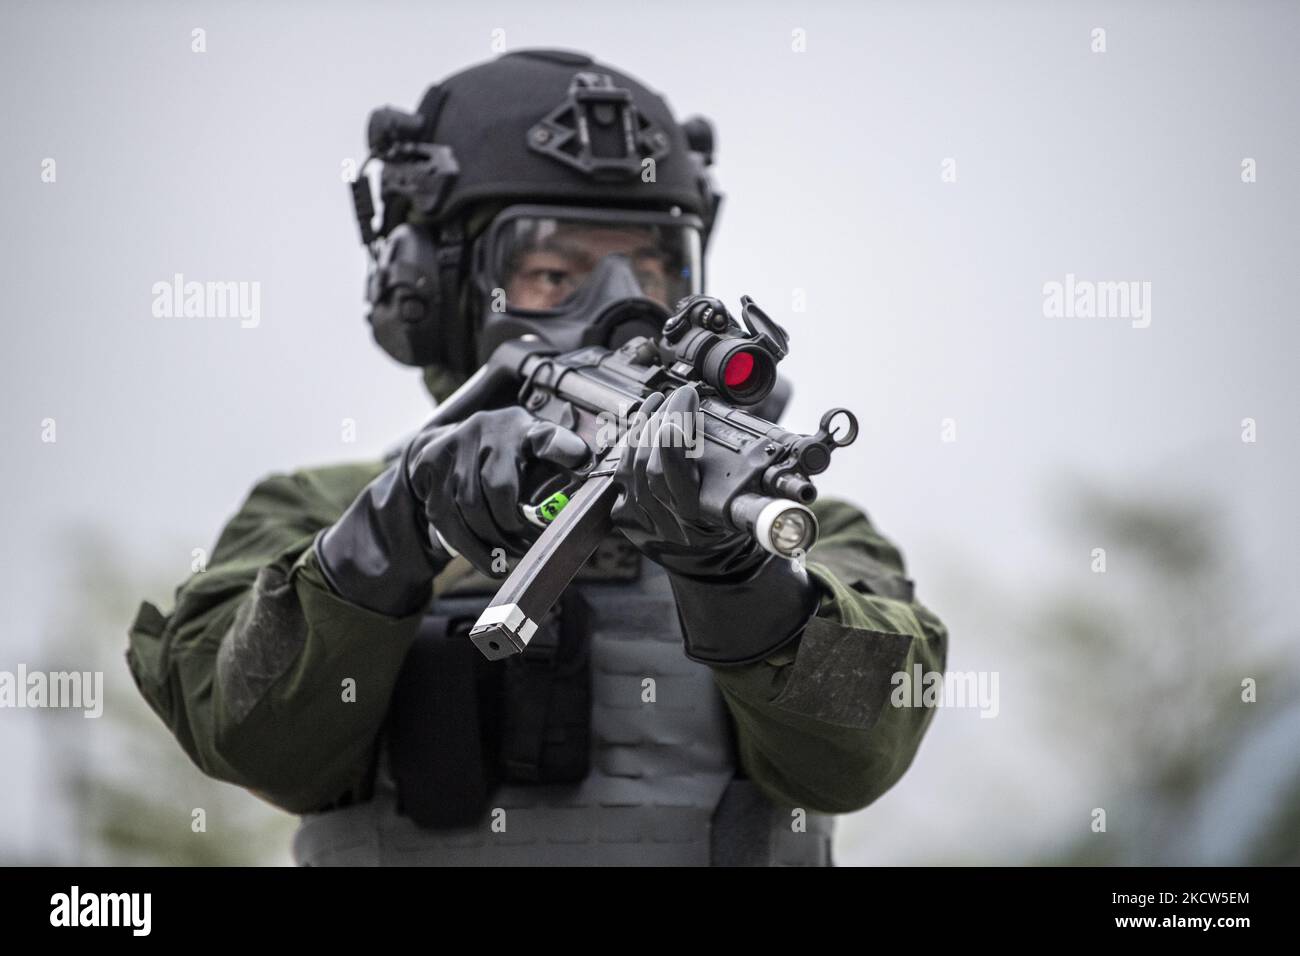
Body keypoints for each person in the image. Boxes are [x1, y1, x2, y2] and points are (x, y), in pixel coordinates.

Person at [126, 49, 948, 866]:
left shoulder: (802, 527)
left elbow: (859, 750)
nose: (624, 312)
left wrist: (740, 579)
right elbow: (243, 731)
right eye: (555, 272)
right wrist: (399, 527)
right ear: (430, 291)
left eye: (657, 270)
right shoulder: (313, 513)